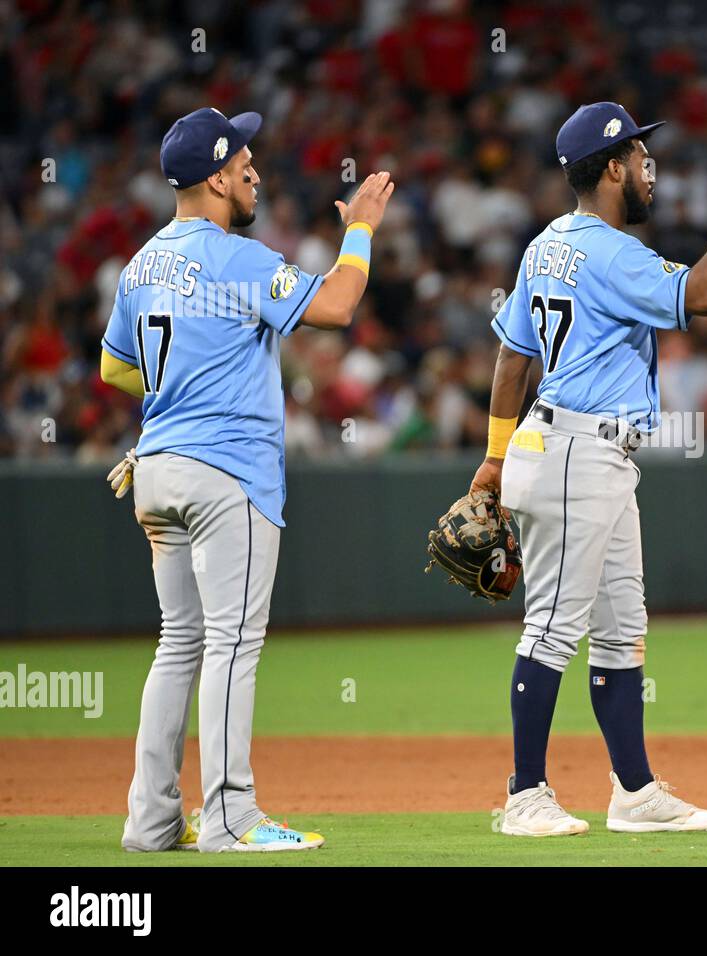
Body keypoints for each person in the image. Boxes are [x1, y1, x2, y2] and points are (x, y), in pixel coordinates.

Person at [103, 107, 393, 851]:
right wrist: (358, 229)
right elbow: (336, 303)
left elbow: (111, 366)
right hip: (225, 474)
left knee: (179, 644)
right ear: (213, 177)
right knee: (232, 644)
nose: (255, 172)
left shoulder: (141, 264)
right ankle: (230, 818)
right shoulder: (239, 258)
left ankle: (151, 820)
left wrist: (175, 411)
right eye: (243, 164)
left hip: (157, 469)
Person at [470, 103, 707, 836]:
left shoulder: (546, 244)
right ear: (608, 169)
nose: (646, 166)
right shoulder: (609, 250)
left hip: (575, 449)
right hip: (575, 452)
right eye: (635, 153)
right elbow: (705, 293)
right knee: (554, 627)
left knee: (622, 628)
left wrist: (496, 455)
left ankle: (634, 791)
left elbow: (512, 356)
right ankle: (524, 796)